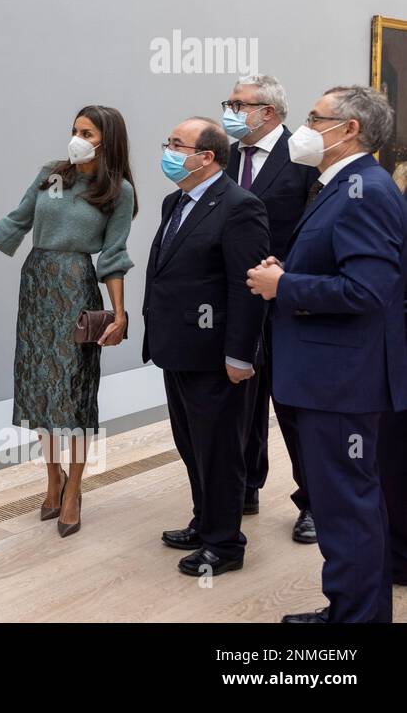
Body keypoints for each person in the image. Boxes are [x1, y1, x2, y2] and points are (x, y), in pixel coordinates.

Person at [0, 106, 136, 538]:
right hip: (37, 285)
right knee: (39, 384)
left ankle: (74, 487)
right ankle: (52, 477)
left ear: (106, 139)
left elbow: (113, 257)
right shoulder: (53, 175)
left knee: (72, 390)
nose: (75, 137)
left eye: (86, 131)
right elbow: (14, 223)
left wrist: (119, 314)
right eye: (74, 129)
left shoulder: (118, 191)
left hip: (75, 287)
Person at [248, 86, 407, 623]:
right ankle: (351, 609)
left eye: (317, 117)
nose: (307, 128)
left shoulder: (368, 190)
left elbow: (367, 291)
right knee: (347, 507)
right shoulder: (341, 186)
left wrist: (284, 286)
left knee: (348, 509)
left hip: (342, 381)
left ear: (350, 130)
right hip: (327, 376)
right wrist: (288, 273)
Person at [145, 118, 268, 578]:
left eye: (178, 144)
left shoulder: (240, 206)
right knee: (192, 445)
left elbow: (246, 286)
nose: (169, 151)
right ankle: (205, 521)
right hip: (176, 348)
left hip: (217, 355)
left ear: (207, 157)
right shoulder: (174, 201)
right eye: (169, 141)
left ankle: (225, 544)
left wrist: (240, 354)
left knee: (220, 452)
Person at [221, 75, 319, 543]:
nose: (231, 111)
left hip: (286, 300)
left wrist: (286, 276)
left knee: (293, 405)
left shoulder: (304, 160)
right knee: (240, 399)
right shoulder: (224, 158)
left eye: (238, 105)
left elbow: (318, 229)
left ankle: (313, 502)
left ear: (270, 113)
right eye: (230, 103)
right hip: (234, 301)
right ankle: (245, 486)